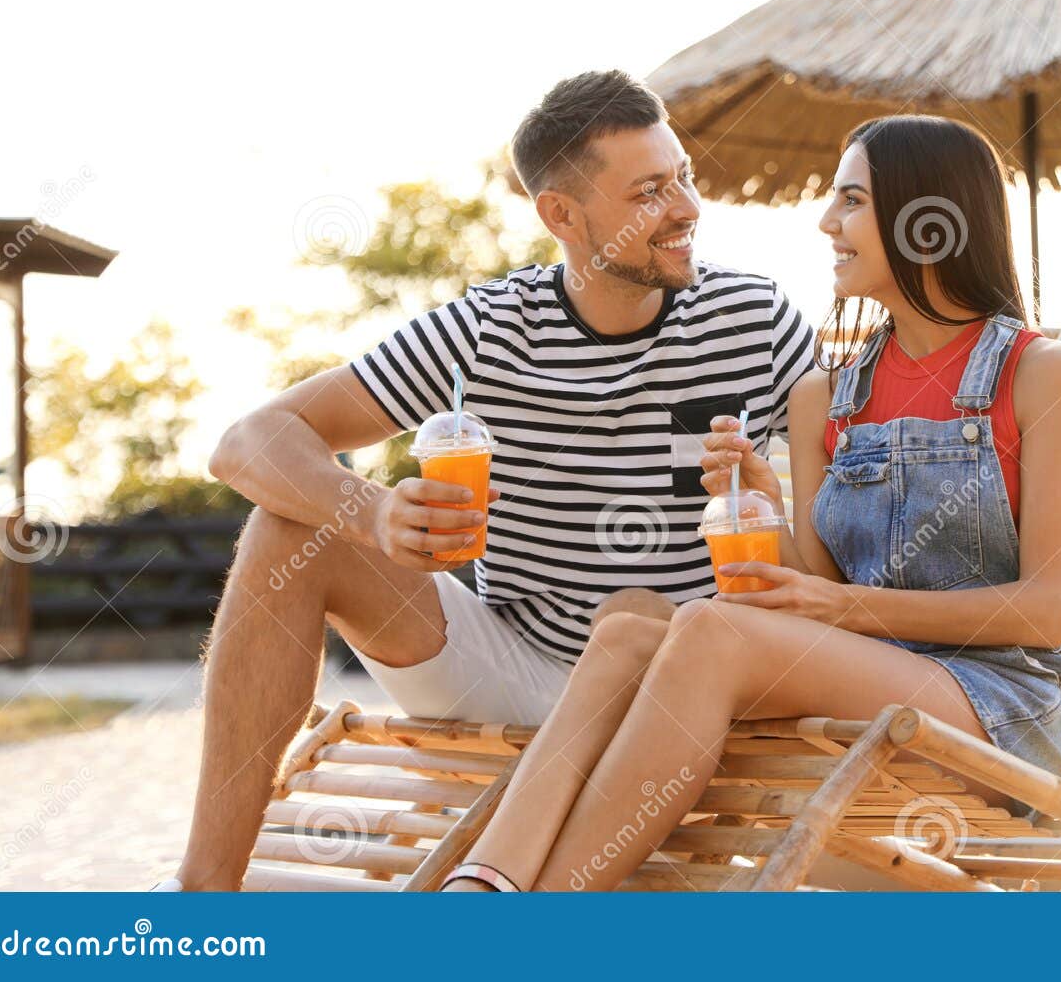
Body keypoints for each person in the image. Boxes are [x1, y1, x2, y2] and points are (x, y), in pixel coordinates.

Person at [160, 70, 815, 891]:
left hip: (679, 685)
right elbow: (246, 442)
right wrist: (375, 513)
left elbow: (852, 485)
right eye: (649, 191)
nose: (686, 207)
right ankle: (203, 892)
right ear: (562, 215)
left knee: (640, 612)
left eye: (683, 176)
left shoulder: (754, 319)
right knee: (289, 524)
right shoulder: (486, 329)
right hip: (514, 665)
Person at [435, 113, 1061, 893]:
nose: (826, 223)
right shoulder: (826, 395)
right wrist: (767, 510)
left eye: (852, 201)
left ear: (927, 219)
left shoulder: (1043, 373)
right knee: (628, 626)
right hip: (872, 678)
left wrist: (842, 606)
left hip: (997, 704)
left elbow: (1044, 612)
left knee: (710, 627)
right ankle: (484, 881)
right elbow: (820, 586)